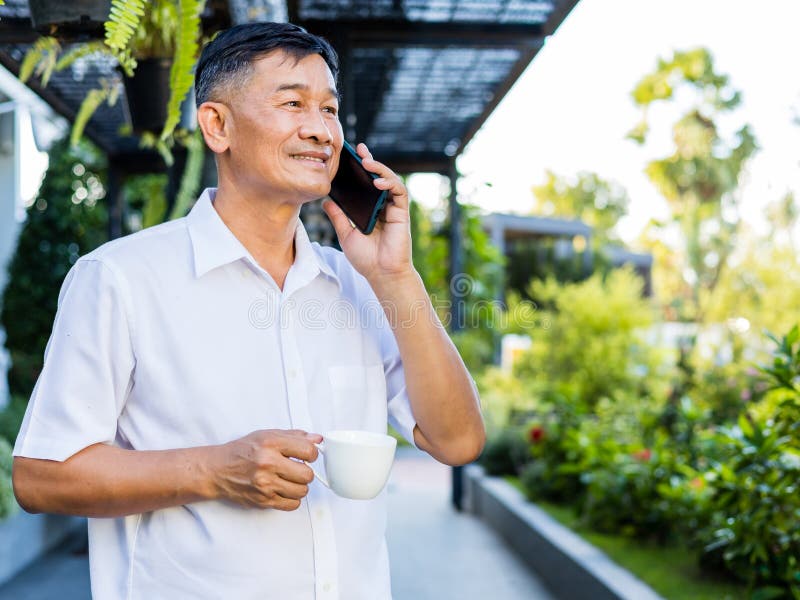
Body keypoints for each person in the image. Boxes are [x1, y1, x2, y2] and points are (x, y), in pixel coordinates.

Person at [11, 22, 485, 600]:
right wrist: (216, 470)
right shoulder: (118, 279)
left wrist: (397, 276)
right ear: (217, 125)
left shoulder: (359, 285)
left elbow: (457, 442)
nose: (320, 130)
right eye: (292, 103)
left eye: (330, 110)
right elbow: (41, 477)